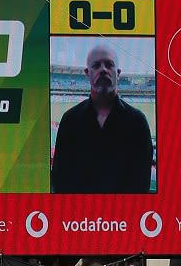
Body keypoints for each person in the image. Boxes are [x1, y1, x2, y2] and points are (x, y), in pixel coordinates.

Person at [50, 44, 152, 194]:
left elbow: (141, 182)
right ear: (87, 73)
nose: (103, 69)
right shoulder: (70, 119)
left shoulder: (137, 121)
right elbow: (60, 178)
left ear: (118, 73)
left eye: (109, 64)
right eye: (96, 65)